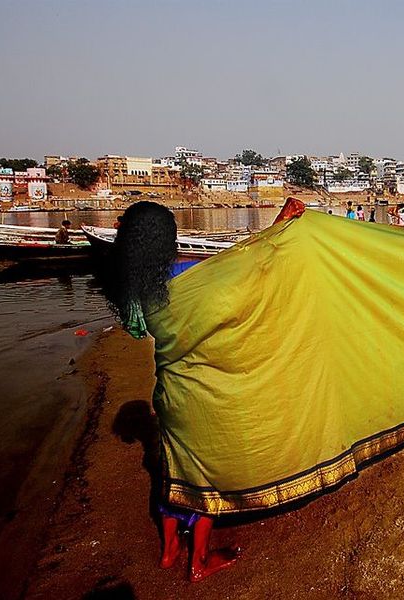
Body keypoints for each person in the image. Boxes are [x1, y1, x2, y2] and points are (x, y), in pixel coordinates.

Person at [104, 201, 241, 582]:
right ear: (168, 237)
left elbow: (137, 330)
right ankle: (198, 560)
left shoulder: (133, 287)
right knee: (201, 475)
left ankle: (168, 551)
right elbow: (242, 270)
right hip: (199, 391)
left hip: (167, 392)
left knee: (169, 471)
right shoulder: (189, 274)